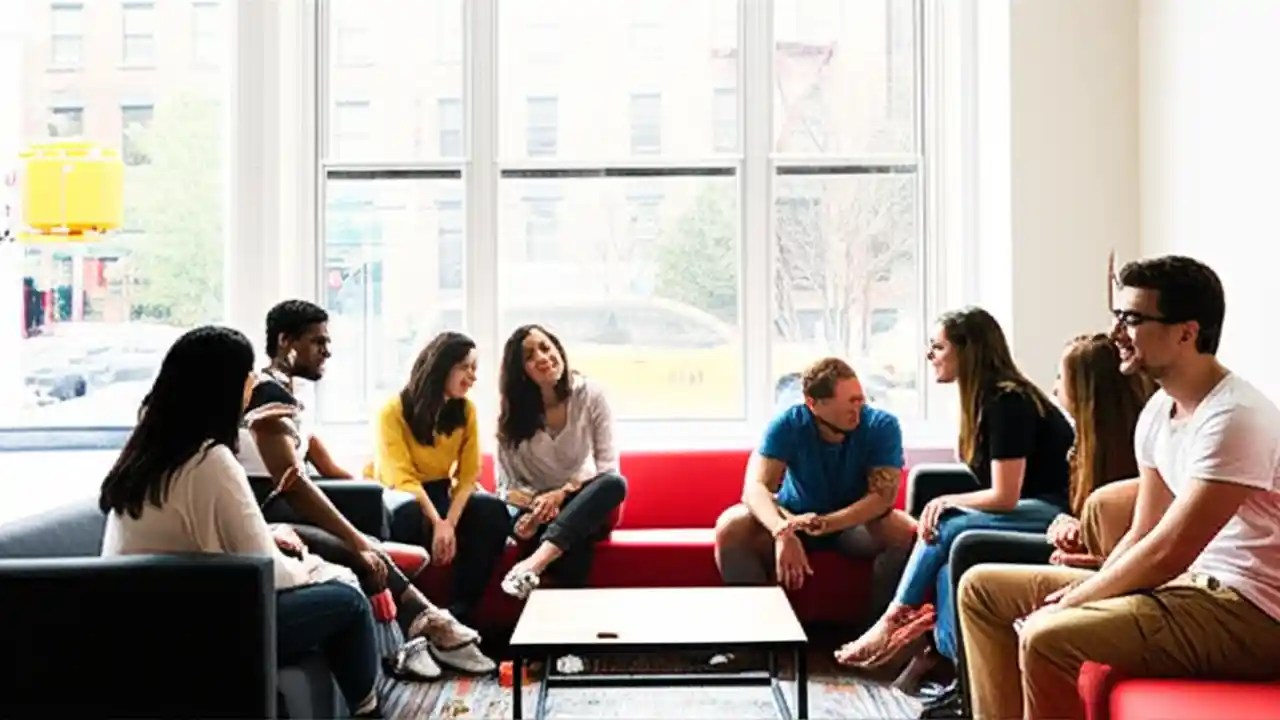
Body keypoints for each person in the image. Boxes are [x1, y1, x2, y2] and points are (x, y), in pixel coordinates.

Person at [959, 256, 1280, 720]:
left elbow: (1170, 550)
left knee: (1048, 638)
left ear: (1186, 333)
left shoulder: (1236, 418)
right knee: (981, 589)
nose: (1116, 333)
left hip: (1251, 612)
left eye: (1132, 319)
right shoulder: (1159, 411)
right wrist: (1095, 583)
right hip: (1190, 590)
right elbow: (1144, 530)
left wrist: (1077, 602)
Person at [99, 326, 384, 718]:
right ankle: (370, 713)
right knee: (347, 598)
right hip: (202, 628)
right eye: (248, 375)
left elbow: (189, 538)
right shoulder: (210, 460)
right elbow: (268, 573)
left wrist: (270, 535)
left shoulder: (144, 456)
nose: (254, 385)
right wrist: (314, 567)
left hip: (135, 623)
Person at [240, 300, 494, 678]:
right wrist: (357, 539)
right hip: (264, 510)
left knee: (376, 519)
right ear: (285, 341)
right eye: (318, 342)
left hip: (287, 506)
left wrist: (375, 497)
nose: (327, 351)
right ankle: (431, 627)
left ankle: (423, 631)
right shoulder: (265, 393)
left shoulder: (290, 396)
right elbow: (291, 481)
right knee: (361, 549)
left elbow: (327, 468)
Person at [910, 333, 1155, 718]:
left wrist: (1090, 557)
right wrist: (1069, 525)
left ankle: (918, 640)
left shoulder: (1136, 445)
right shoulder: (1081, 443)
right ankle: (956, 678)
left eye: (1061, 377)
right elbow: (1080, 513)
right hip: (1081, 551)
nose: (1054, 388)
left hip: (1109, 567)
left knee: (965, 542)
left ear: (1085, 389)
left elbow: (1141, 537)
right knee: (953, 555)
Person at [835, 307, 1075, 672]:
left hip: (1053, 511)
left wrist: (947, 501)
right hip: (1027, 507)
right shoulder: (983, 400)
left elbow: (1004, 495)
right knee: (949, 562)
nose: (929, 355)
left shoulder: (1007, 402)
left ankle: (893, 620)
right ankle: (955, 669)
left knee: (947, 523)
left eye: (938, 346)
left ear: (968, 350)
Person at [713, 357, 916, 621]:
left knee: (905, 532)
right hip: (795, 518)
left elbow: (882, 497)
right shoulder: (788, 424)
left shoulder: (881, 425)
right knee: (731, 526)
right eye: (850, 402)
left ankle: (880, 630)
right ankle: (761, 628)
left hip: (854, 524)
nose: (858, 407)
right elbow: (754, 488)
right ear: (814, 404)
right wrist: (782, 530)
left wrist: (828, 523)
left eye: (860, 399)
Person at [374, 331, 510, 628]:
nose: (473, 377)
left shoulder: (466, 410)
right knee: (408, 514)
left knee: (492, 511)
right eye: (465, 367)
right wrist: (437, 522)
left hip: (441, 491)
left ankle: (459, 614)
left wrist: (448, 523)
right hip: (400, 495)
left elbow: (468, 475)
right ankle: (410, 618)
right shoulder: (393, 411)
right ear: (442, 367)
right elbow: (401, 477)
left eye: (475, 368)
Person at [494, 324, 628, 598]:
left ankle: (534, 564)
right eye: (530, 356)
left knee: (614, 484)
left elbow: (606, 467)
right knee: (572, 537)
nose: (542, 358)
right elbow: (506, 486)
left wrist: (562, 493)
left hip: (587, 499)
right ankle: (547, 593)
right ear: (521, 372)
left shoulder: (590, 395)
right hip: (539, 512)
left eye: (546, 348)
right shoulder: (511, 416)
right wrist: (536, 506)